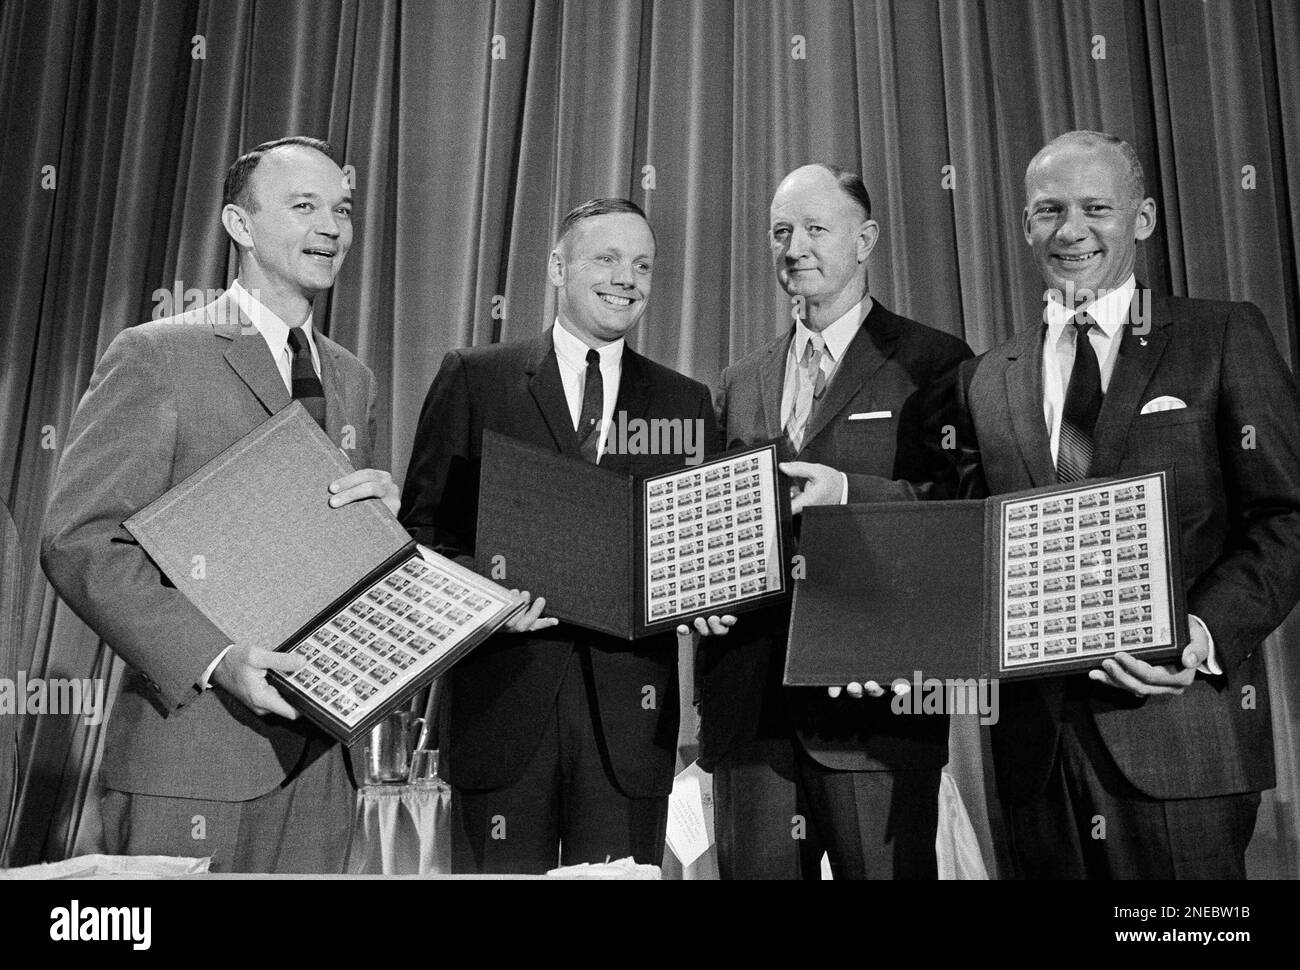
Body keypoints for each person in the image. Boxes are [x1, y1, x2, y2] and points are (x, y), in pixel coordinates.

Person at [41, 136, 399, 873]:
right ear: (239, 225)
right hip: (193, 756)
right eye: (304, 207)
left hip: (323, 770)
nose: (331, 227)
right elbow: (80, 542)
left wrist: (383, 532)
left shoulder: (353, 378)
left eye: (342, 208)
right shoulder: (157, 355)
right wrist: (217, 658)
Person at [948, 130, 1300, 878]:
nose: (1070, 230)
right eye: (1048, 210)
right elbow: (966, 541)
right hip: (1036, 757)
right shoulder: (987, 378)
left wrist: (1199, 633)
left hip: (1180, 735)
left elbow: (1288, 516)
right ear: (1024, 224)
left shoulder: (1220, 335)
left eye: (1094, 208)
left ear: (1140, 219)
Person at [399, 198, 724, 874]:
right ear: (557, 266)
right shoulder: (475, 378)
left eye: (642, 265)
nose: (625, 278)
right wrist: (486, 604)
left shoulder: (685, 403)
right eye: (606, 258)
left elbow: (700, 553)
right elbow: (421, 537)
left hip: (629, 732)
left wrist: (708, 596)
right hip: (501, 711)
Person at [700, 163, 973, 879]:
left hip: (872, 710)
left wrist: (850, 490)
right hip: (750, 714)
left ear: (866, 240)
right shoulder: (738, 380)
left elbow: (962, 514)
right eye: (781, 231)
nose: (796, 247)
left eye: (816, 228)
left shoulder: (933, 361)